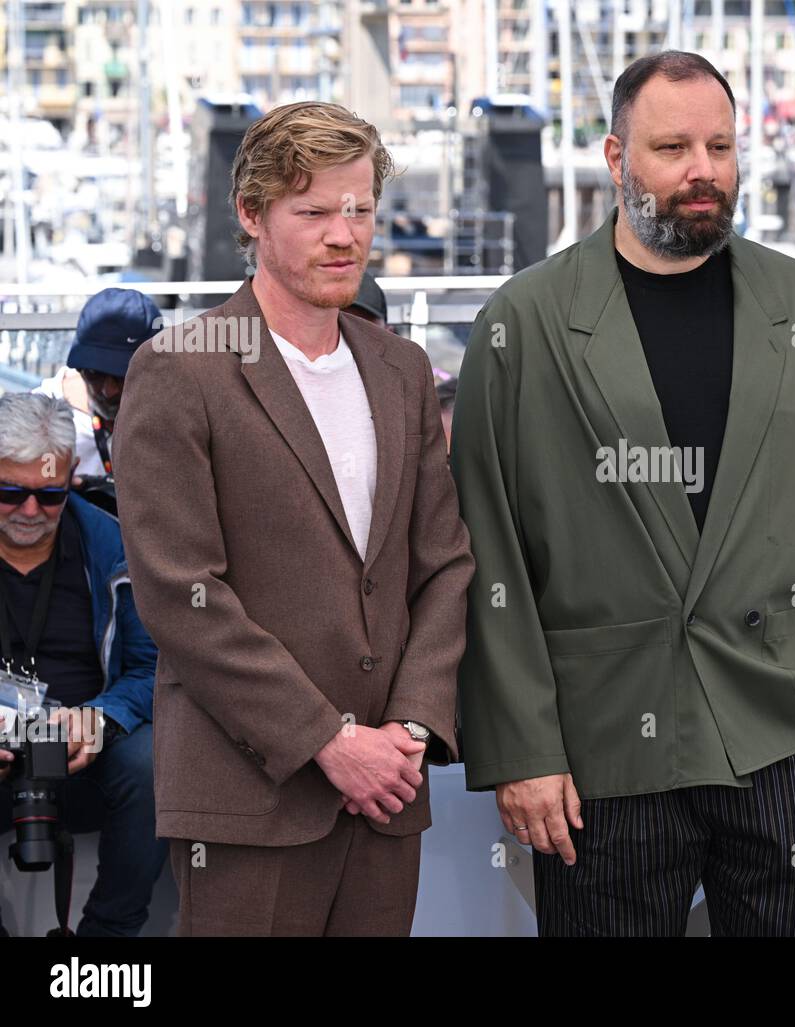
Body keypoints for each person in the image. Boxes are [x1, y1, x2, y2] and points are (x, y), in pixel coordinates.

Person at [451, 50, 795, 937]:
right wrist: (523, 751)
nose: (703, 171)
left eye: (720, 147)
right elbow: (486, 548)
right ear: (617, 160)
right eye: (674, 147)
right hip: (601, 752)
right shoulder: (524, 323)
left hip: (791, 737)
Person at [112, 101, 475, 936]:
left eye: (358, 209)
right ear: (251, 214)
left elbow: (445, 564)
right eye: (313, 212)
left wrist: (410, 729)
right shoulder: (176, 370)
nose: (344, 235)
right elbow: (179, 595)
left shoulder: (403, 369)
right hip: (249, 800)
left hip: (387, 793)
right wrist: (328, 741)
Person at [0, 393, 164, 937]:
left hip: (85, 752)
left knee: (156, 759)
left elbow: (154, 665)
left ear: (72, 475)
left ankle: (105, 943)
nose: (29, 511)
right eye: (9, 492)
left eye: (49, 495)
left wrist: (101, 718)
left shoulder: (115, 546)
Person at [33, 288, 163, 515]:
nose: (109, 390)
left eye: (123, 375)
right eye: (94, 373)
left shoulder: (178, 409)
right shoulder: (38, 419)